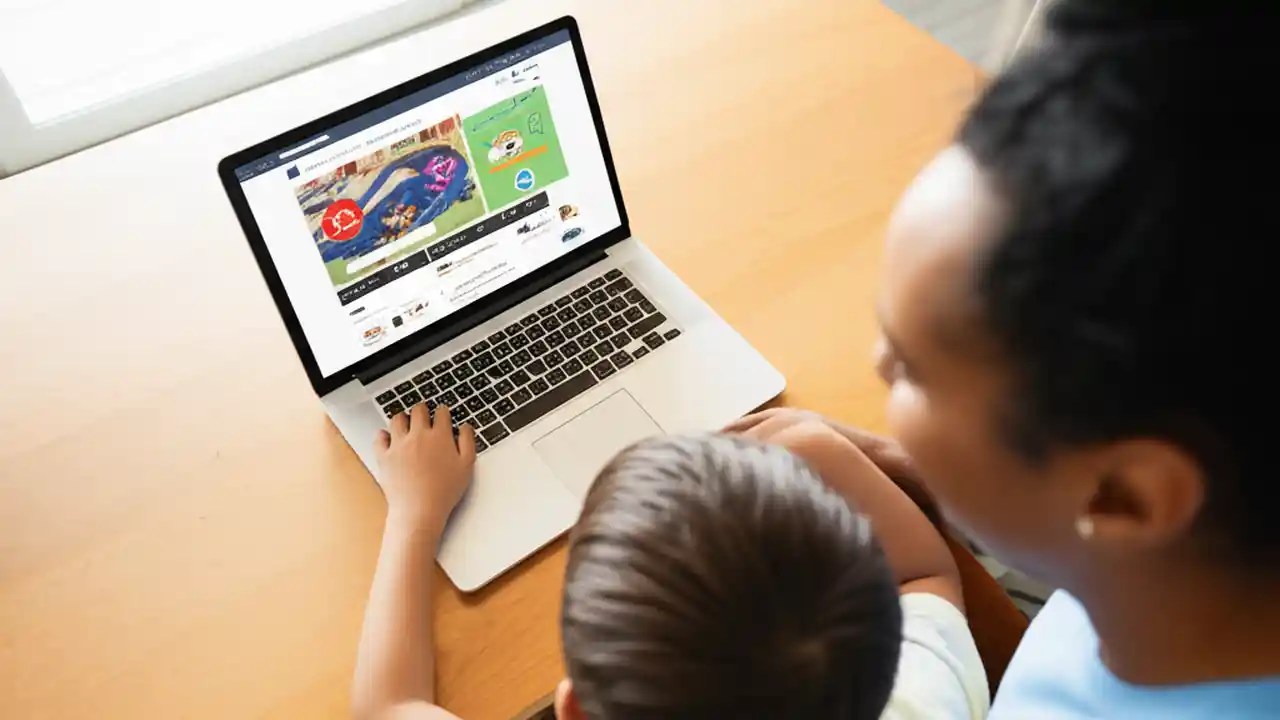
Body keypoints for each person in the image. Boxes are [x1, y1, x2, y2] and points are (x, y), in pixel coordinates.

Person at [732, 1, 1280, 717]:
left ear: (1122, 495)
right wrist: (932, 479)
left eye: (914, 371)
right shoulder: (1189, 573)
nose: (877, 365)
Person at [350, 404, 988, 719]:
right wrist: (813, 442)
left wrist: (414, 513)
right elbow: (922, 573)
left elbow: (386, 706)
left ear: (571, 710)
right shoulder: (923, 695)